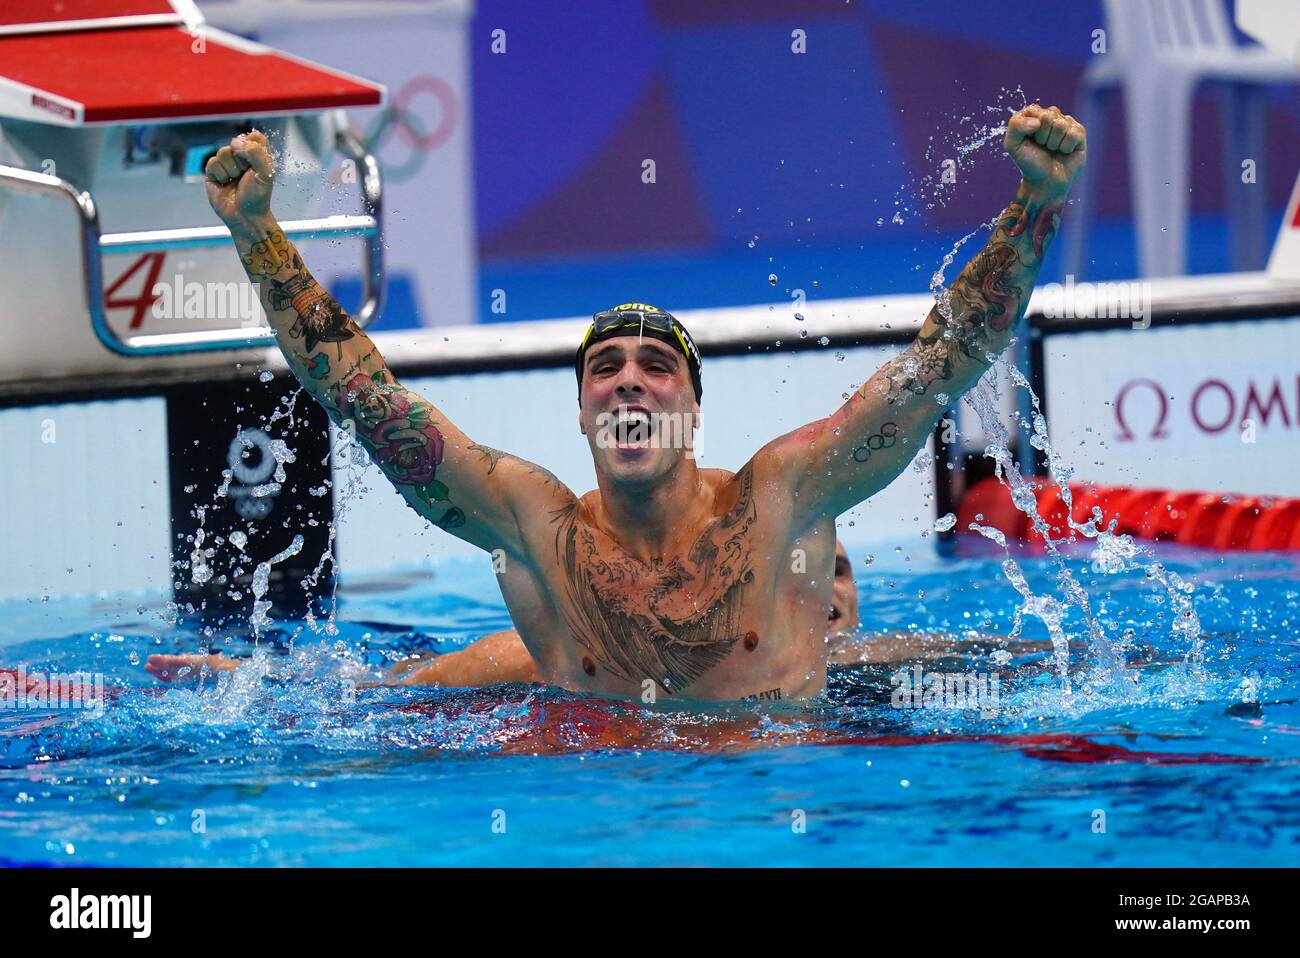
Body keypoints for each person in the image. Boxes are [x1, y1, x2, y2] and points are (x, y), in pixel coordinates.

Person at [189, 103, 1084, 702]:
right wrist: (258, 232)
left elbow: (942, 364)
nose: (628, 378)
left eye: (658, 366)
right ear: (582, 413)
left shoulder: (782, 498)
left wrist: (1033, 207)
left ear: (692, 409)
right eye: (605, 367)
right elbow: (365, 401)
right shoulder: (537, 532)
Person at [145, 539, 864, 687]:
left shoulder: (894, 660)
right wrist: (247, 677)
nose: (826, 594)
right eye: (798, 577)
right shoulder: (571, 656)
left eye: (837, 571)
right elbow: (377, 690)